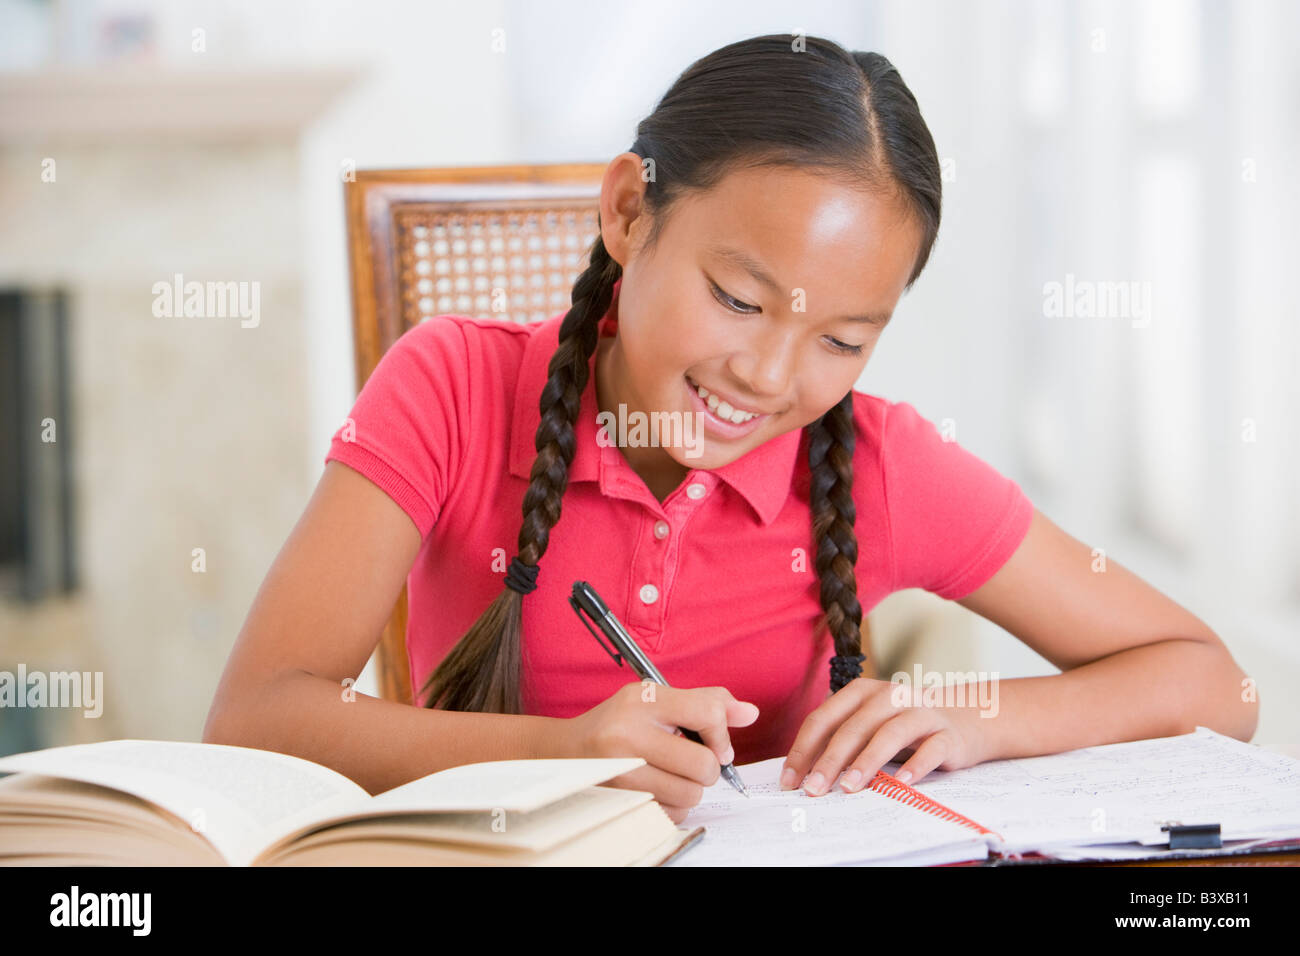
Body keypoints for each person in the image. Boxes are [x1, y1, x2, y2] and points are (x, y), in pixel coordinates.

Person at [204, 34, 1257, 826]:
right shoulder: (450, 385)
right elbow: (255, 718)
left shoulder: (881, 461)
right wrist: (565, 751)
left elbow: (1216, 678)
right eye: (739, 299)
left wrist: (983, 717)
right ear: (626, 212)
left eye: (841, 339)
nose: (766, 374)